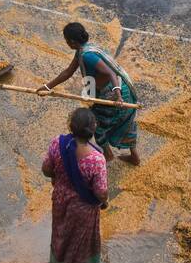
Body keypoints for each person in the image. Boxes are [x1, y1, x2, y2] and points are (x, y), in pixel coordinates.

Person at [39, 22, 141, 165]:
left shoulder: (87, 55)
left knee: (96, 126)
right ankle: (134, 157)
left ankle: (108, 155)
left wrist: (117, 95)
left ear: (72, 41)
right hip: (110, 91)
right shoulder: (82, 50)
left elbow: (110, 73)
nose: (66, 42)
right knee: (124, 123)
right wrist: (47, 87)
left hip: (114, 93)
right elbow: (68, 72)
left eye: (66, 40)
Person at [40, 107, 109, 263]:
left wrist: (58, 179)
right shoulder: (97, 159)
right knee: (82, 242)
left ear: (70, 126)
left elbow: (46, 169)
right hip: (83, 210)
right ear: (93, 128)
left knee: (60, 233)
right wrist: (104, 202)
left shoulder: (58, 143)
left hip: (60, 200)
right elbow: (101, 192)